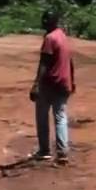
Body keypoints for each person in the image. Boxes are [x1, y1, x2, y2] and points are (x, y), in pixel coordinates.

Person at [29, 11, 75, 163]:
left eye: (47, 18)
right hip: (63, 83)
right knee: (60, 117)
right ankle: (62, 153)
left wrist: (36, 85)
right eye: (43, 18)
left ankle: (44, 150)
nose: (44, 21)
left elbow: (44, 63)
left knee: (42, 117)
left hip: (50, 84)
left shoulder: (49, 38)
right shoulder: (62, 35)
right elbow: (70, 61)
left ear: (54, 21)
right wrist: (72, 81)